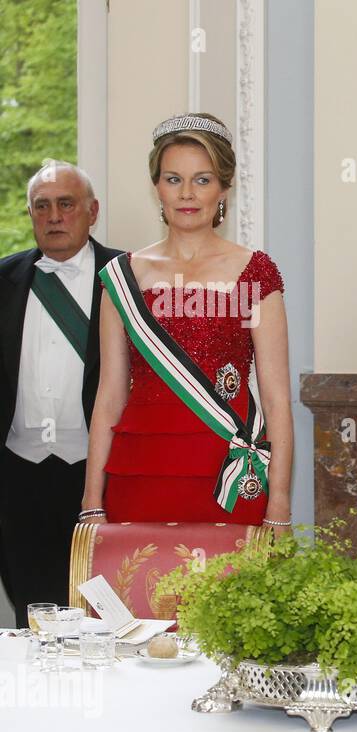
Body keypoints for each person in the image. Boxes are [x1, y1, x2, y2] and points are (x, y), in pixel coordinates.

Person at [82, 113, 294, 531]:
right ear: (157, 186)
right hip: (139, 470)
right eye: (173, 179)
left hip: (228, 476)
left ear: (224, 188)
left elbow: (276, 400)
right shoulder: (122, 277)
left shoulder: (255, 272)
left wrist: (280, 503)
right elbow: (108, 395)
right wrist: (92, 499)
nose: (187, 194)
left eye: (202, 179)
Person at [0, 163, 122, 620]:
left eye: (66, 205)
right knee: (32, 610)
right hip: (19, 476)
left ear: (92, 212)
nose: (54, 216)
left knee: (104, 610)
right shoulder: (4, 278)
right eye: (42, 206)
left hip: (100, 474)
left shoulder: (129, 276)